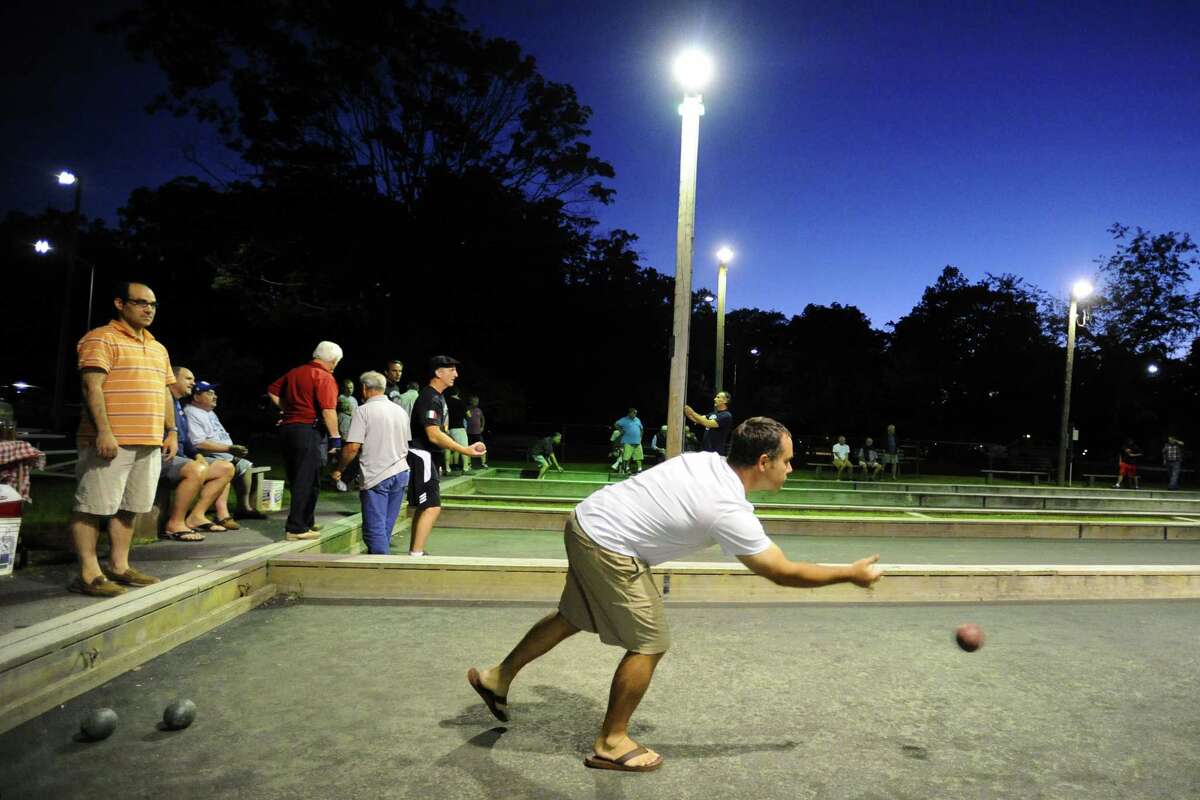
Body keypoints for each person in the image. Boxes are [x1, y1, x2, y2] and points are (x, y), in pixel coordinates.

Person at [465, 417, 883, 773]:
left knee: (574, 616)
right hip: (610, 543)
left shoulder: (706, 462)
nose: (791, 469)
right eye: (788, 461)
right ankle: (611, 743)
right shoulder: (727, 507)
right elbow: (781, 572)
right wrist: (849, 573)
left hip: (587, 519)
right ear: (763, 462)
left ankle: (496, 678)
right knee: (650, 642)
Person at [68, 282, 175, 597]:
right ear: (120, 303)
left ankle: (119, 565)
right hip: (112, 440)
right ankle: (88, 574)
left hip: (149, 441)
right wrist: (104, 430)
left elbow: (166, 391)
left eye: (153, 304)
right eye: (141, 303)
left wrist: (172, 431)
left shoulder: (157, 346)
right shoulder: (101, 338)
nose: (148, 309)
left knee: (129, 507)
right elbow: (92, 387)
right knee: (92, 505)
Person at [406, 356, 487, 556]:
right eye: (451, 370)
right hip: (422, 455)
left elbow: (441, 431)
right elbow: (433, 435)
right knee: (432, 506)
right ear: (438, 372)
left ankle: (416, 551)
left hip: (428, 457)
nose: (456, 374)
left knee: (427, 506)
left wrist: (463, 446)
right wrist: (465, 450)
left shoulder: (438, 397)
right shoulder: (429, 397)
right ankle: (416, 555)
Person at [268, 341, 343, 540]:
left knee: (299, 477)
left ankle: (305, 521)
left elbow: (273, 391)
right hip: (308, 429)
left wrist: (286, 410)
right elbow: (328, 410)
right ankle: (296, 528)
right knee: (307, 478)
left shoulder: (295, 372)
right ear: (333, 361)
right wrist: (335, 437)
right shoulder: (324, 377)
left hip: (288, 429)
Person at [331, 371, 411, 554]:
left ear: (365, 388)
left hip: (377, 474)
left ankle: (381, 569)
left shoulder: (364, 410)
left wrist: (340, 469)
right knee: (385, 527)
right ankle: (380, 561)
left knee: (374, 529)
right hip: (400, 472)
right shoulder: (400, 411)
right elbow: (406, 442)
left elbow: (352, 447)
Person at [162, 368, 235, 538]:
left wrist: (197, 456)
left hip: (182, 457)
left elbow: (186, 440)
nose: (192, 383)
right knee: (196, 470)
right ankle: (175, 523)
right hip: (165, 456)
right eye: (188, 379)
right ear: (173, 379)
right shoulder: (165, 402)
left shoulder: (178, 404)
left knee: (226, 468)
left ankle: (196, 516)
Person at [184, 377, 265, 526]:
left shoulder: (209, 412)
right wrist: (229, 448)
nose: (215, 396)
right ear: (196, 397)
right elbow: (198, 443)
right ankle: (222, 514)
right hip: (208, 456)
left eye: (214, 393)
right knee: (225, 468)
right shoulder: (191, 412)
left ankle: (243, 507)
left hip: (225, 455)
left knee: (246, 466)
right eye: (209, 393)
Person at [612, 408, 645, 474]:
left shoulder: (637, 419)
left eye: (636, 413)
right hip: (628, 442)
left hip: (637, 442)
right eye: (634, 413)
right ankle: (626, 469)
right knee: (627, 457)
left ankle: (640, 469)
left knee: (639, 456)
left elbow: (641, 429)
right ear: (630, 413)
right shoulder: (624, 419)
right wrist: (621, 430)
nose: (635, 414)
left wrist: (640, 438)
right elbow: (616, 424)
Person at [445, 388, 469, 474]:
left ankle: (447, 469)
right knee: (464, 448)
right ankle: (465, 468)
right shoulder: (460, 402)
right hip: (459, 428)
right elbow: (468, 415)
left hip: (447, 428)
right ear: (458, 393)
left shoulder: (446, 402)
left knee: (447, 449)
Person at [464, 395, 487, 470]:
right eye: (475, 401)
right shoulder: (467, 409)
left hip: (478, 433)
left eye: (477, 401)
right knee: (468, 448)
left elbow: (483, 418)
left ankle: (483, 463)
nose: (476, 403)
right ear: (471, 401)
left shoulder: (479, 410)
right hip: (469, 433)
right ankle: (469, 464)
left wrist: (482, 427)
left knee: (482, 447)